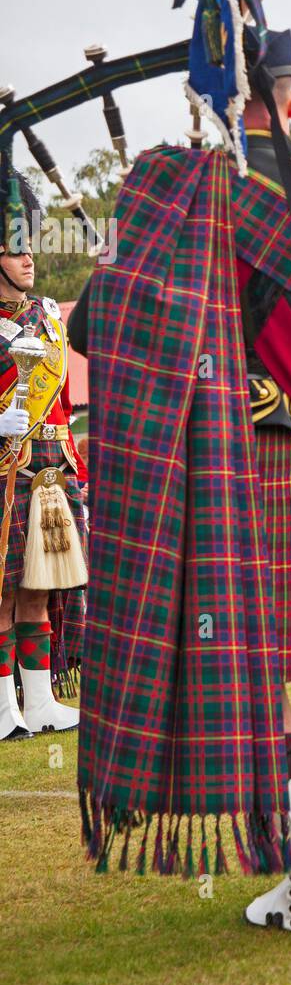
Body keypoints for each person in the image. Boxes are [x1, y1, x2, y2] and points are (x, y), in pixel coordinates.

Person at [72, 0, 291, 928]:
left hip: (212, 464)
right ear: (289, 102)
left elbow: (89, 332)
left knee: (241, 673)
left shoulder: (170, 201)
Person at [0, 174, 88, 742]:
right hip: (5, 461)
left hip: (52, 462)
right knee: (2, 590)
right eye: (14, 248)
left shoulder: (49, 313)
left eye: (28, 244)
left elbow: (64, 395)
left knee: (40, 585)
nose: (28, 256)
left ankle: (40, 701)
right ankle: (3, 708)